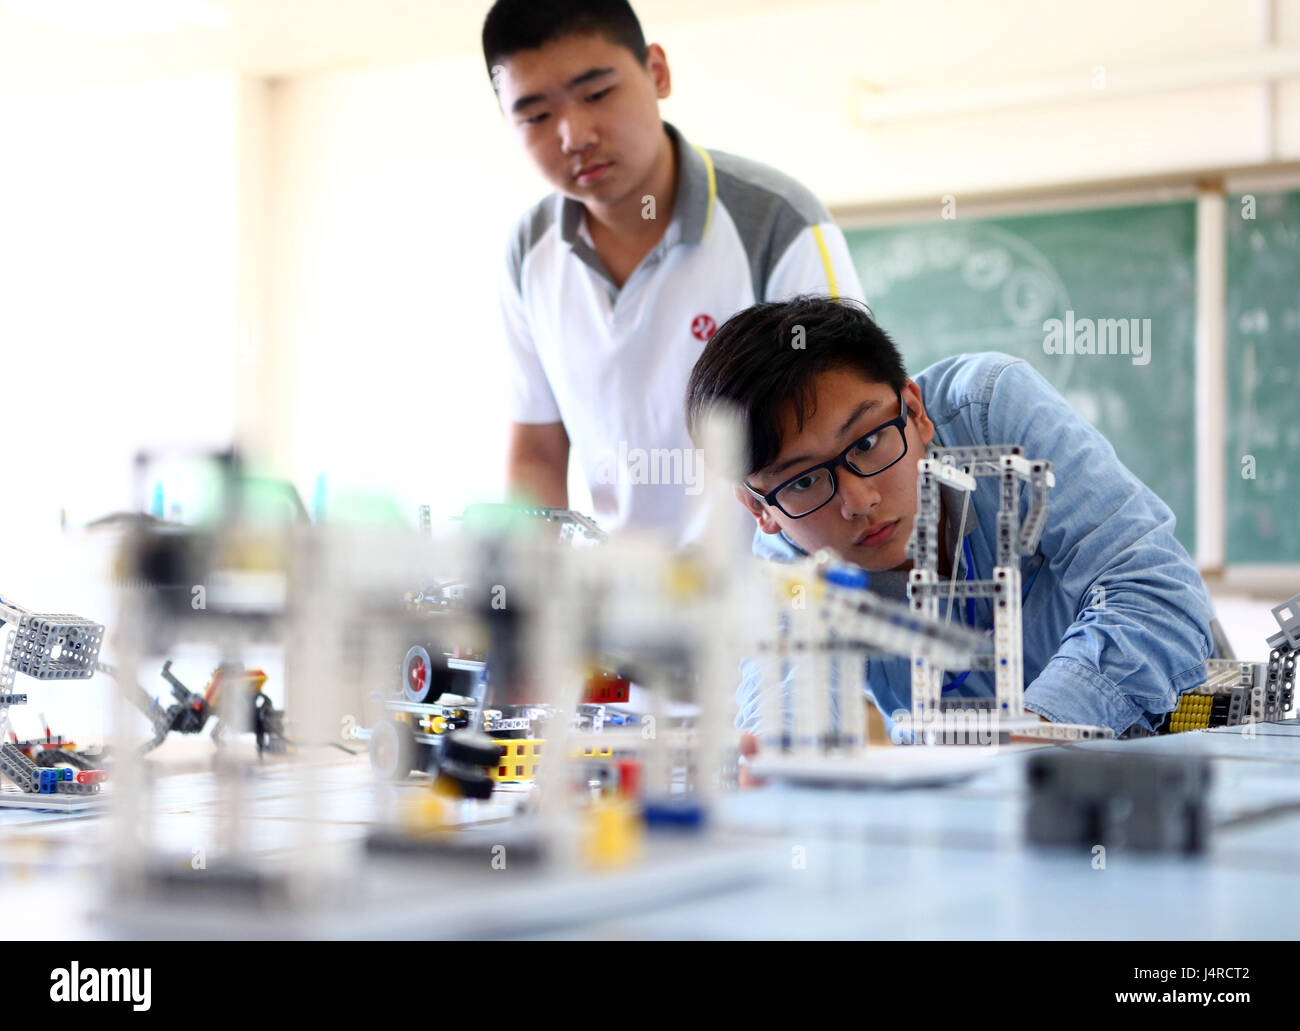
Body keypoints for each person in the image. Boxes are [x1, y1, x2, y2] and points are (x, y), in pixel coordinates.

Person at [683, 295, 1216, 735]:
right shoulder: (792, 555)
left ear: (915, 410)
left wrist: (1030, 731)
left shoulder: (991, 411)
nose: (860, 501)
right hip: (974, 806)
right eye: (804, 480)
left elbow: (1154, 590)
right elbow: (787, 697)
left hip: (1171, 734)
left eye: (867, 442)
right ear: (759, 508)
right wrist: (776, 764)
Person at [483, 0, 865, 544]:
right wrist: (534, 602)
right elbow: (538, 452)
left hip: (768, 598)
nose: (574, 135)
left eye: (596, 94)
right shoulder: (528, 252)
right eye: (536, 116)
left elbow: (840, 432)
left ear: (657, 72)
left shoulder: (777, 222)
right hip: (617, 604)